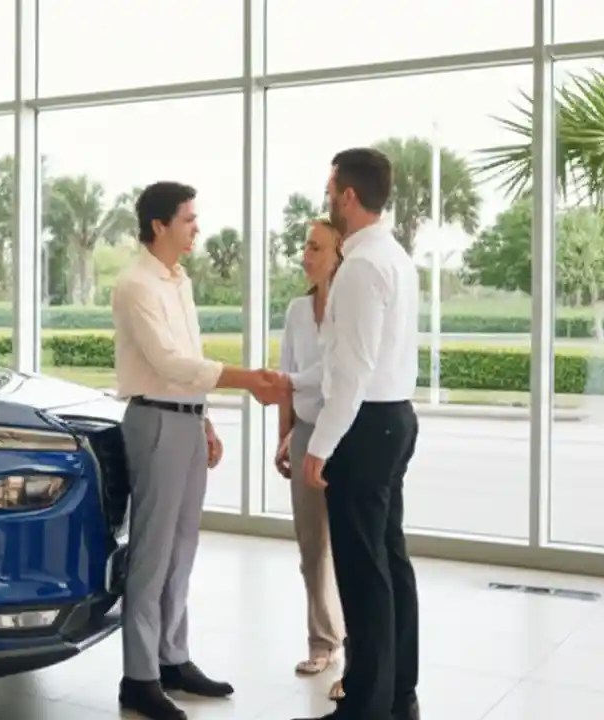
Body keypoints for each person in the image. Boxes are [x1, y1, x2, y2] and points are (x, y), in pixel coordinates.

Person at [112, 180, 287, 720]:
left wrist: (205, 419)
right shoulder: (136, 284)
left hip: (185, 422)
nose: (196, 227)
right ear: (159, 225)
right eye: (188, 219)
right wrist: (245, 378)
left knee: (183, 547)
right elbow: (167, 363)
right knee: (152, 552)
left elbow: (190, 358)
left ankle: (172, 657)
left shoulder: (178, 281)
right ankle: (139, 678)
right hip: (155, 424)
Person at [291, 148, 421, 720]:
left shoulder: (361, 267)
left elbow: (354, 369)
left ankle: (365, 704)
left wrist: (319, 446)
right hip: (393, 418)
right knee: (389, 560)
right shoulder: (394, 257)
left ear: (347, 195)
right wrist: (291, 381)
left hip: (365, 426)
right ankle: (398, 691)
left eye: (330, 189)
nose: (328, 199)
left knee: (363, 570)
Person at [274, 218, 347, 680]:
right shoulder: (297, 313)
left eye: (317, 247)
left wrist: (289, 384)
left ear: (339, 256)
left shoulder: (350, 308)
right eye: (306, 246)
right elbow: (286, 376)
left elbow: (327, 376)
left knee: (348, 543)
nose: (307, 255)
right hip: (304, 433)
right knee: (311, 545)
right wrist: (284, 436)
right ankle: (322, 640)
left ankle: (355, 638)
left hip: (344, 436)